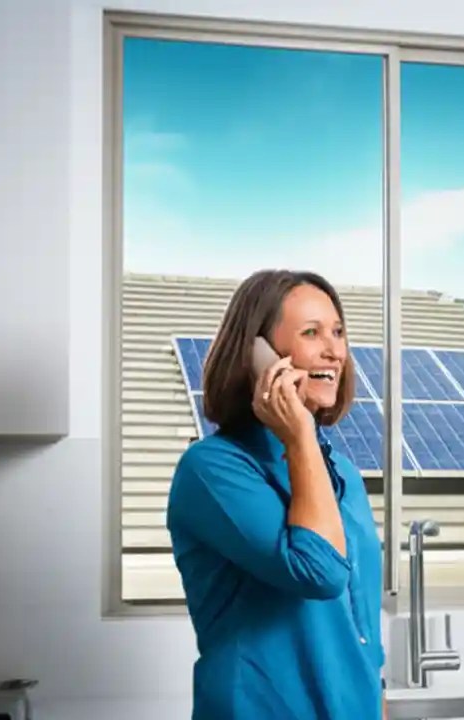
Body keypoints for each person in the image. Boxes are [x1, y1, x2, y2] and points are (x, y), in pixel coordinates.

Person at [166, 269, 386, 720]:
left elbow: (363, 629)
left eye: (338, 332)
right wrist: (300, 435)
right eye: (311, 332)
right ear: (258, 356)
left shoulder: (341, 472)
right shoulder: (212, 470)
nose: (335, 350)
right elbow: (320, 574)